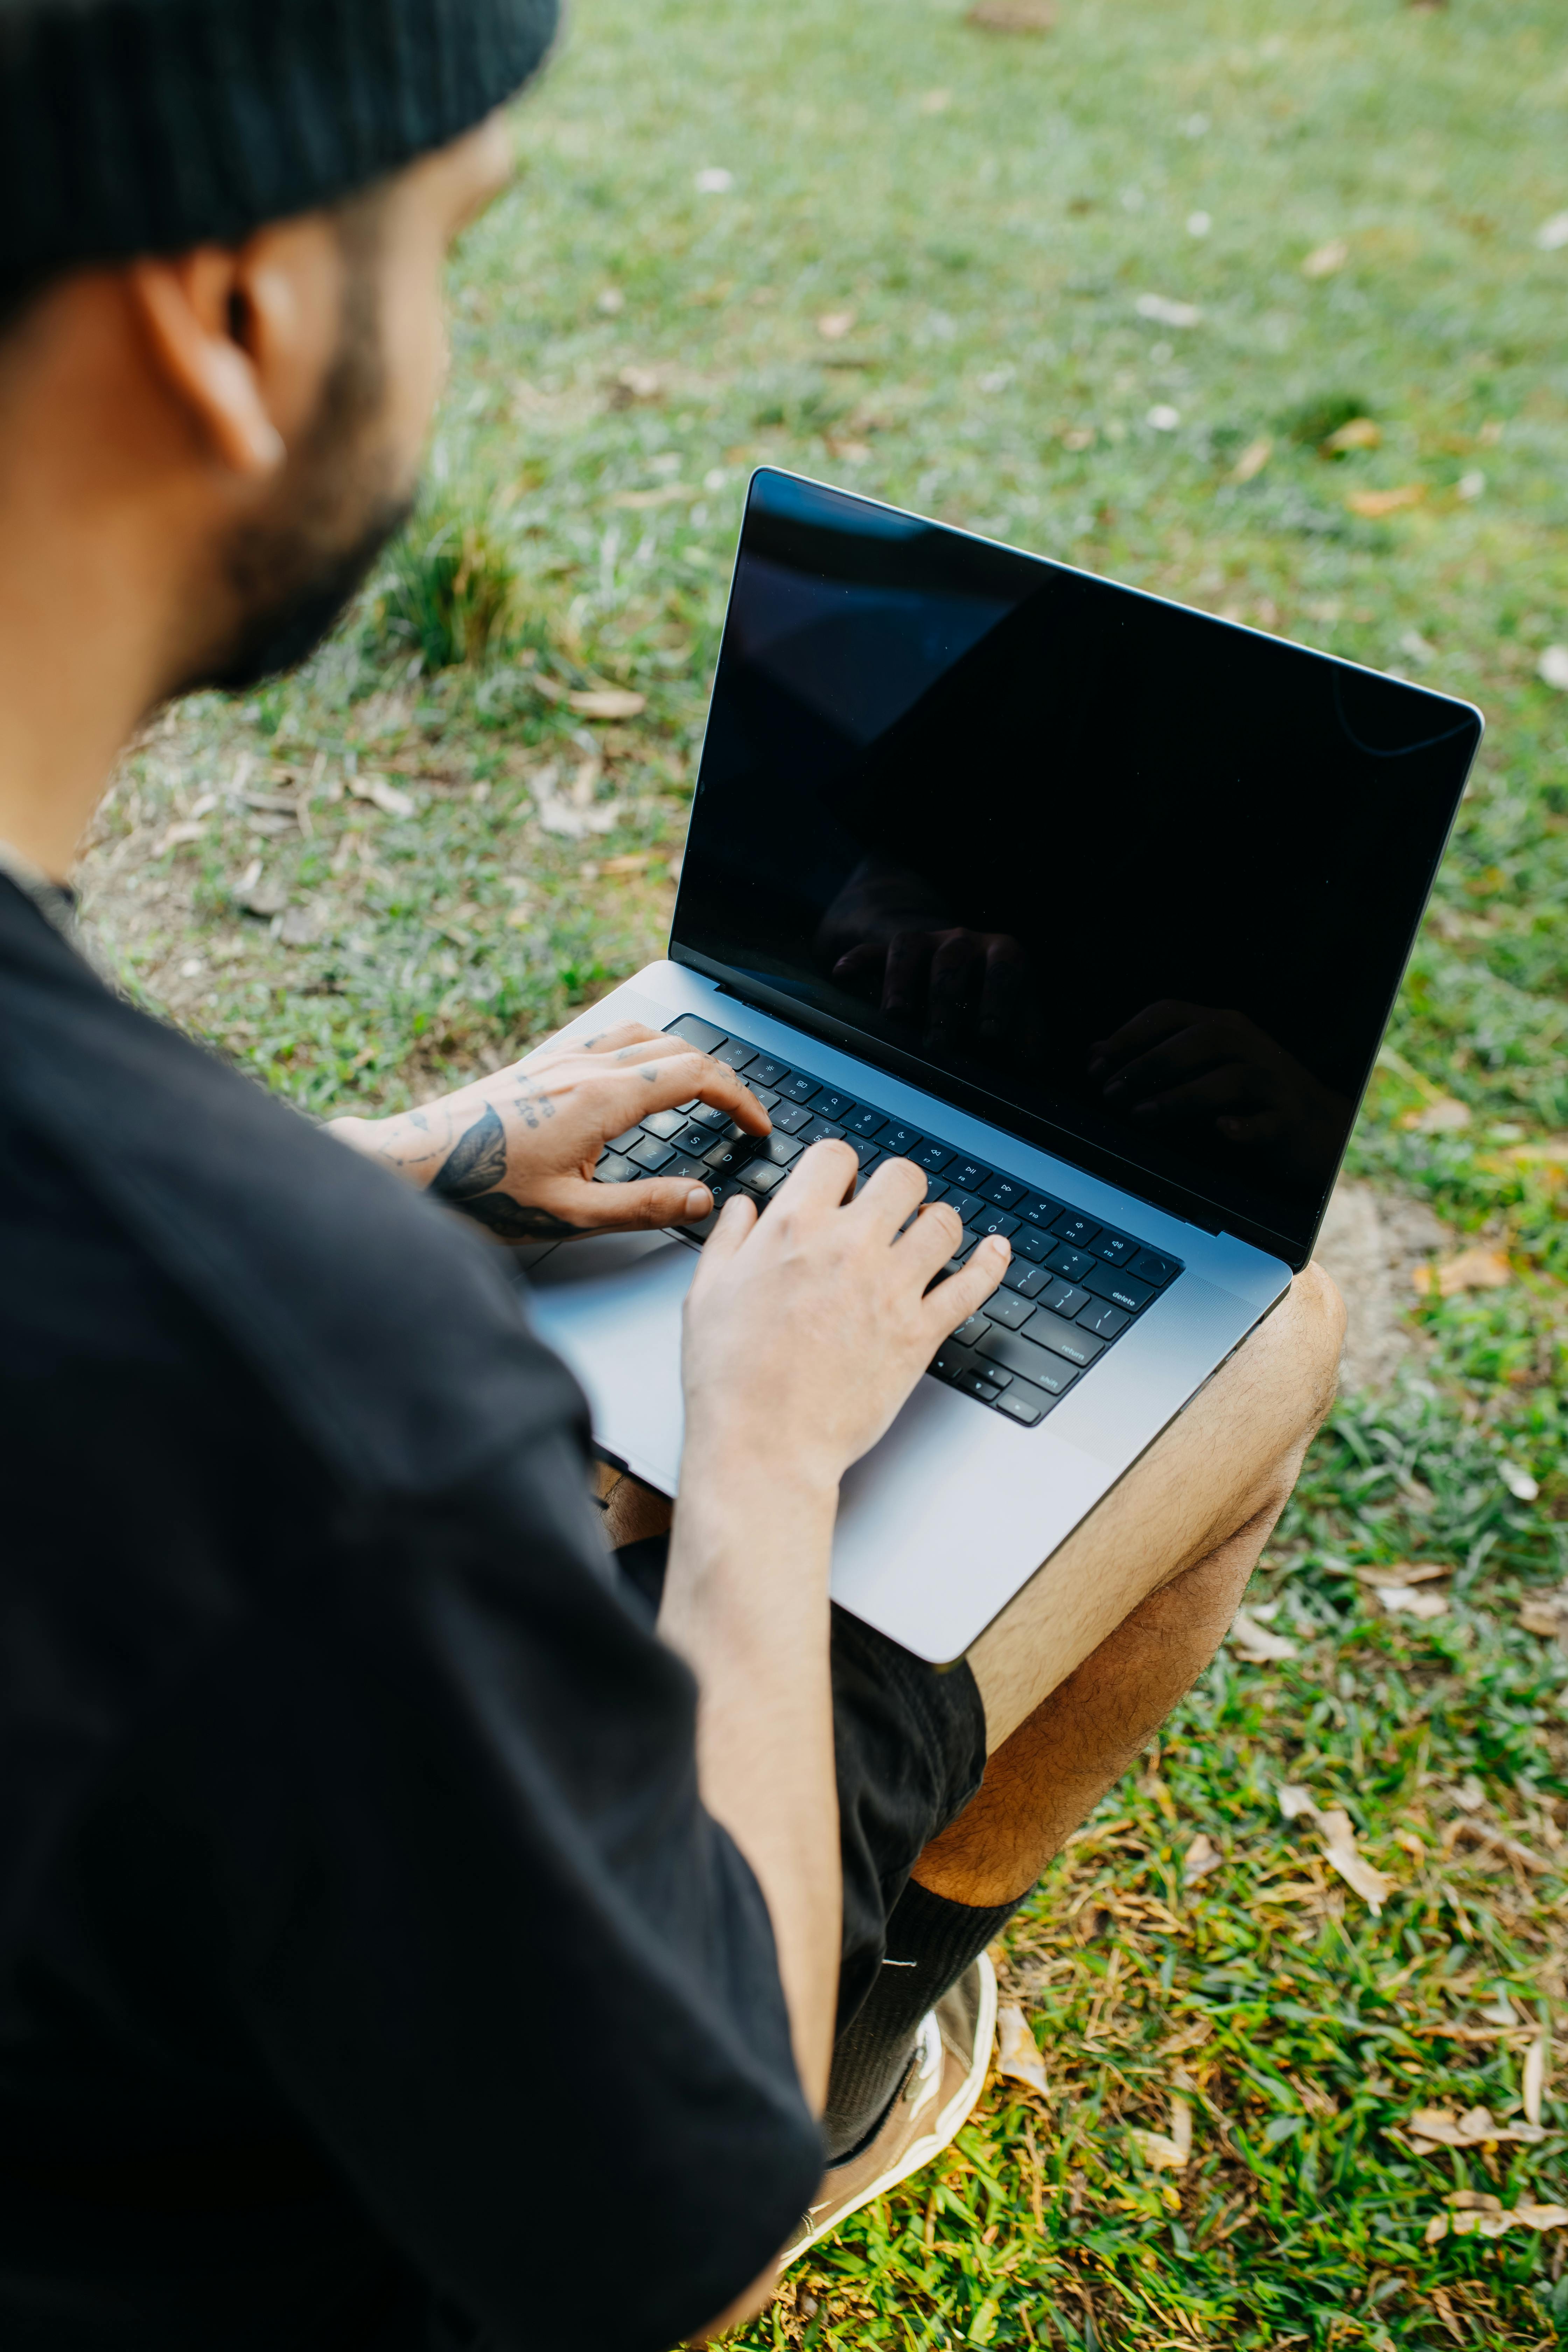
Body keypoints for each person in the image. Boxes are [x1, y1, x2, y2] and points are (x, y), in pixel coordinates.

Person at [0, 2, 1346, 2345]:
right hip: (322, 2235)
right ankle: (872, 2024)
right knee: (1279, 1330)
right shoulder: (334, 1404)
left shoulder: (233, 1296)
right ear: (233, 319)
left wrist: (416, 1161)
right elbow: (652, 2220)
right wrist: (763, 1453)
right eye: (448, 244)